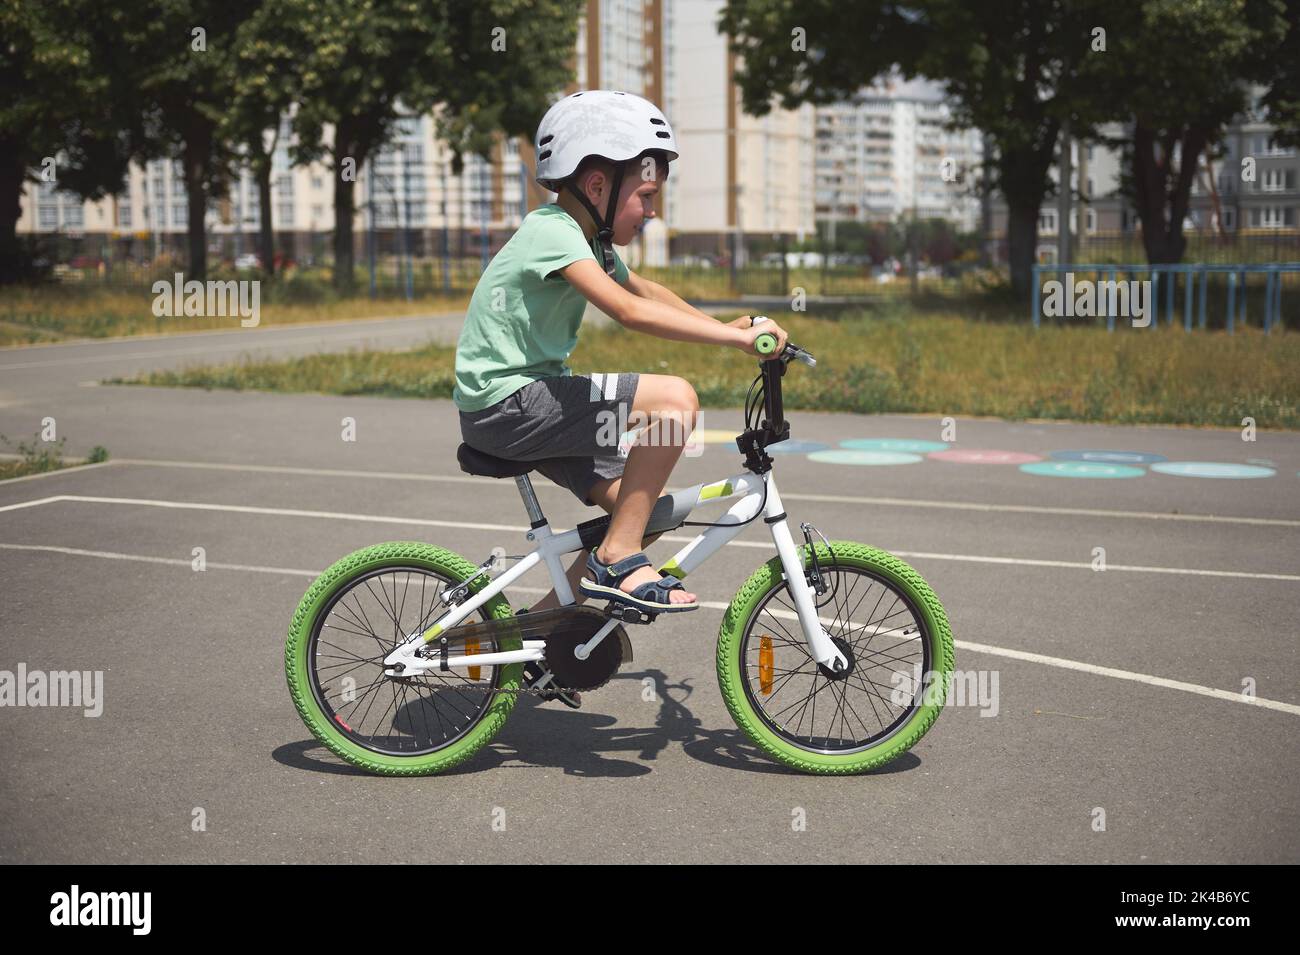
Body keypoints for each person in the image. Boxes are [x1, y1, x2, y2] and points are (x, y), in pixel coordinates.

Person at [454, 89, 788, 624]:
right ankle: (617, 558)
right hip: (508, 402)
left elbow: (647, 291)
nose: (653, 211)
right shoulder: (551, 232)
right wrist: (734, 341)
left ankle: (546, 626)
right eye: (648, 195)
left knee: (643, 509)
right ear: (596, 185)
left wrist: (721, 326)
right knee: (675, 399)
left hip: (535, 405)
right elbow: (628, 311)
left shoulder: (592, 242)